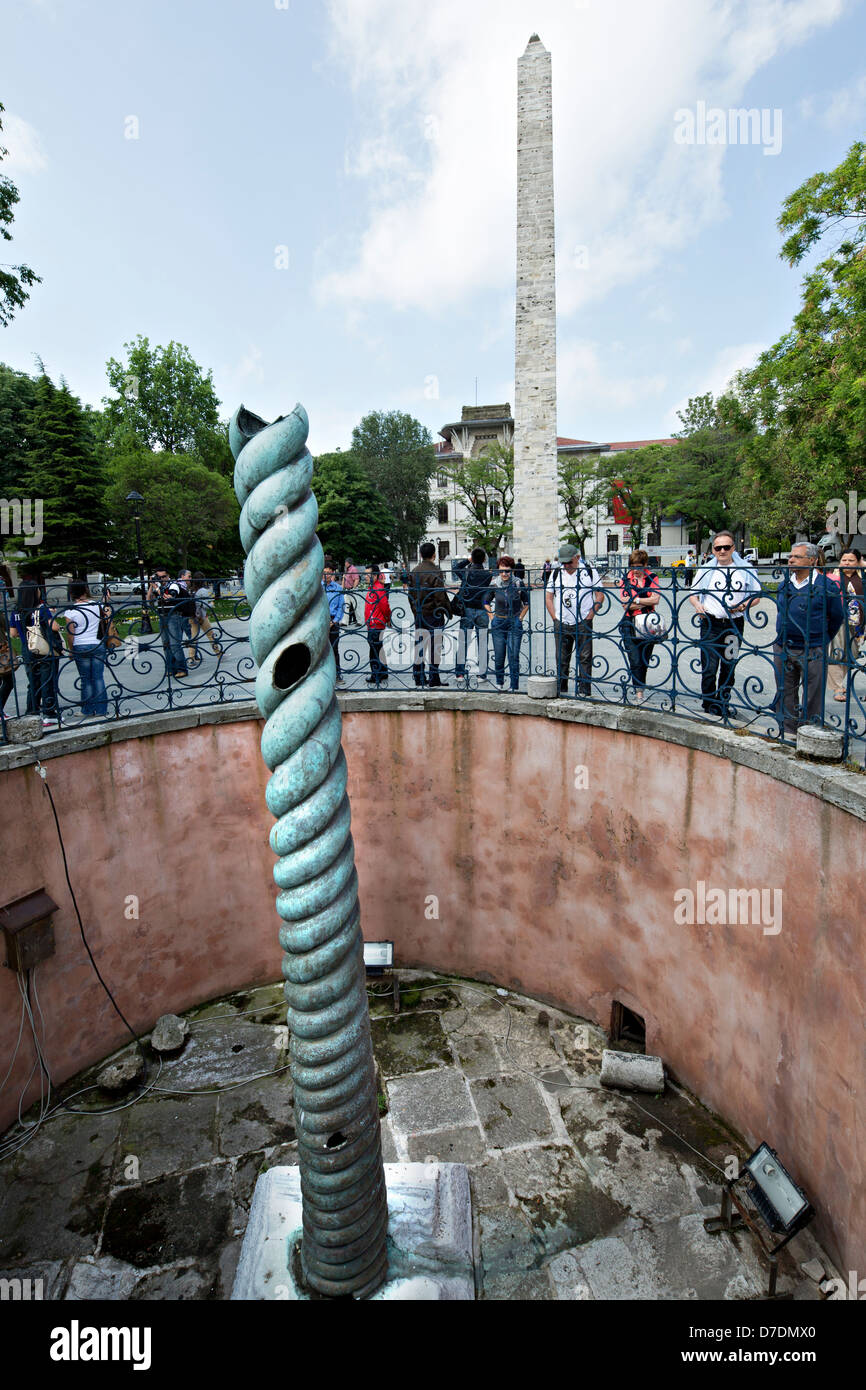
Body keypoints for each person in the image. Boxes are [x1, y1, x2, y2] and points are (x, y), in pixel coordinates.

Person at [688, 531, 761, 720]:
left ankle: (722, 702)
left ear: (733, 548)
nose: (722, 551)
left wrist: (743, 605)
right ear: (713, 549)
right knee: (709, 666)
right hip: (710, 623)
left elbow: (756, 596)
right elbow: (693, 593)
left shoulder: (745, 569)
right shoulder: (706, 569)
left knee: (729, 665)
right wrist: (698, 606)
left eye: (726, 547)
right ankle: (709, 703)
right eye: (718, 548)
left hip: (734, 625)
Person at [774, 542, 844, 736]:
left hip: (813, 648)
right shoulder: (785, 583)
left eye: (797, 556)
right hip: (783, 646)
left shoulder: (826, 585)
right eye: (791, 556)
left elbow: (837, 615)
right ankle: (788, 732)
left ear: (812, 561)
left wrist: (823, 638)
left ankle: (810, 733)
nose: (791, 559)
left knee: (813, 694)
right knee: (785, 691)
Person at [544, 543, 604, 696]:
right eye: (563, 562)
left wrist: (590, 615)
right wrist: (554, 618)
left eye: (569, 562)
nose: (566, 565)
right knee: (562, 658)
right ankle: (561, 689)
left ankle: (585, 691)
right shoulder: (557, 573)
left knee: (585, 657)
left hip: (583, 621)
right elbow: (548, 597)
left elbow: (600, 595)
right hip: (562, 621)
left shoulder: (589, 572)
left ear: (577, 558)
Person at [16, 579, 62, 727]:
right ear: (34, 592)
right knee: (47, 680)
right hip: (43, 647)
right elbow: (53, 626)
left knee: (33, 682)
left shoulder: (17, 610)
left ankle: (32, 713)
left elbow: (12, 632)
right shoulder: (41, 608)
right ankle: (49, 714)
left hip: (26, 648)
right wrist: (56, 621)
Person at [61, 581, 109, 720]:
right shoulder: (96, 605)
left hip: (80, 645)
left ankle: (87, 709)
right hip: (97, 643)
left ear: (71, 593)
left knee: (86, 679)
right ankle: (101, 709)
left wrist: (71, 650)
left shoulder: (71, 611)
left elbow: (71, 634)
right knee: (98, 678)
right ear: (85, 590)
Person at [619, 550, 662, 702]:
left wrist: (635, 600)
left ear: (645, 565)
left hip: (648, 622)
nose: (635, 570)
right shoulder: (626, 578)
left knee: (644, 658)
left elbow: (656, 600)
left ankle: (640, 687)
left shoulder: (652, 577)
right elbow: (625, 604)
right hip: (629, 623)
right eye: (633, 566)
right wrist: (645, 599)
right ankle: (639, 693)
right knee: (635, 658)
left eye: (639, 566)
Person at [408, 542, 449, 688]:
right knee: (435, 646)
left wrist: (415, 611)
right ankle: (434, 678)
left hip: (419, 614)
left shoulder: (415, 571)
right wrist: (443, 611)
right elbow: (439, 596)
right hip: (433, 614)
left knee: (420, 645)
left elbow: (410, 595)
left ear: (420, 555)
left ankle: (419, 677)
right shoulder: (436, 571)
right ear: (434, 555)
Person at [485, 556, 529, 691]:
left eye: (507, 571)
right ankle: (500, 683)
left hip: (514, 621)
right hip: (498, 622)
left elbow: (526, 603)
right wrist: (492, 617)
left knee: (513, 656)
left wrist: (520, 618)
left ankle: (514, 686)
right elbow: (486, 602)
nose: (504, 574)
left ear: (512, 571)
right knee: (499, 655)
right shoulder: (494, 583)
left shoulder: (518, 583)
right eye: (502, 571)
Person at [826, 550, 864, 702]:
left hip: (860, 623)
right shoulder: (833, 577)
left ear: (858, 562)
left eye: (851, 560)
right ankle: (837, 688)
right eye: (844, 560)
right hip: (839, 621)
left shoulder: (862, 576)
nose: (846, 563)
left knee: (852, 654)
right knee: (836, 654)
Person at [454, 547, 493, 686]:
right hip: (481, 609)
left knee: (463, 642)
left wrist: (467, 560)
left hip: (467, 609)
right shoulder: (488, 575)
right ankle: (482, 674)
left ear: (472, 558)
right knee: (482, 642)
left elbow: (455, 567)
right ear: (483, 559)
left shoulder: (466, 572)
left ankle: (459, 672)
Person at [186, 572, 224, 664]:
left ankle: (191, 658)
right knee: (211, 635)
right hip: (202, 617)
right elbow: (205, 605)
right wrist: (212, 604)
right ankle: (218, 654)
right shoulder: (203, 591)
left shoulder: (192, 590)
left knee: (194, 637)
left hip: (193, 616)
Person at [364, 566, 391, 685]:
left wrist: (387, 618)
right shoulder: (374, 587)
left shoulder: (377, 588)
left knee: (374, 650)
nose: (365, 576)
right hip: (373, 622)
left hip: (376, 623)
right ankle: (383, 671)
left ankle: (376, 674)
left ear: (375, 576)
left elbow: (384, 606)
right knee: (378, 648)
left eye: (367, 574)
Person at [323, 560, 345, 687]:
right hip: (319, 621)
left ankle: (337, 674)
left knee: (334, 648)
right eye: (324, 573)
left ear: (333, 574)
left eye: (328, 573)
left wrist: (334, 621)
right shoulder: (317, 588)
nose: (326, 576)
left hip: (333, 620)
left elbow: (341, 607)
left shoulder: (338, 588)